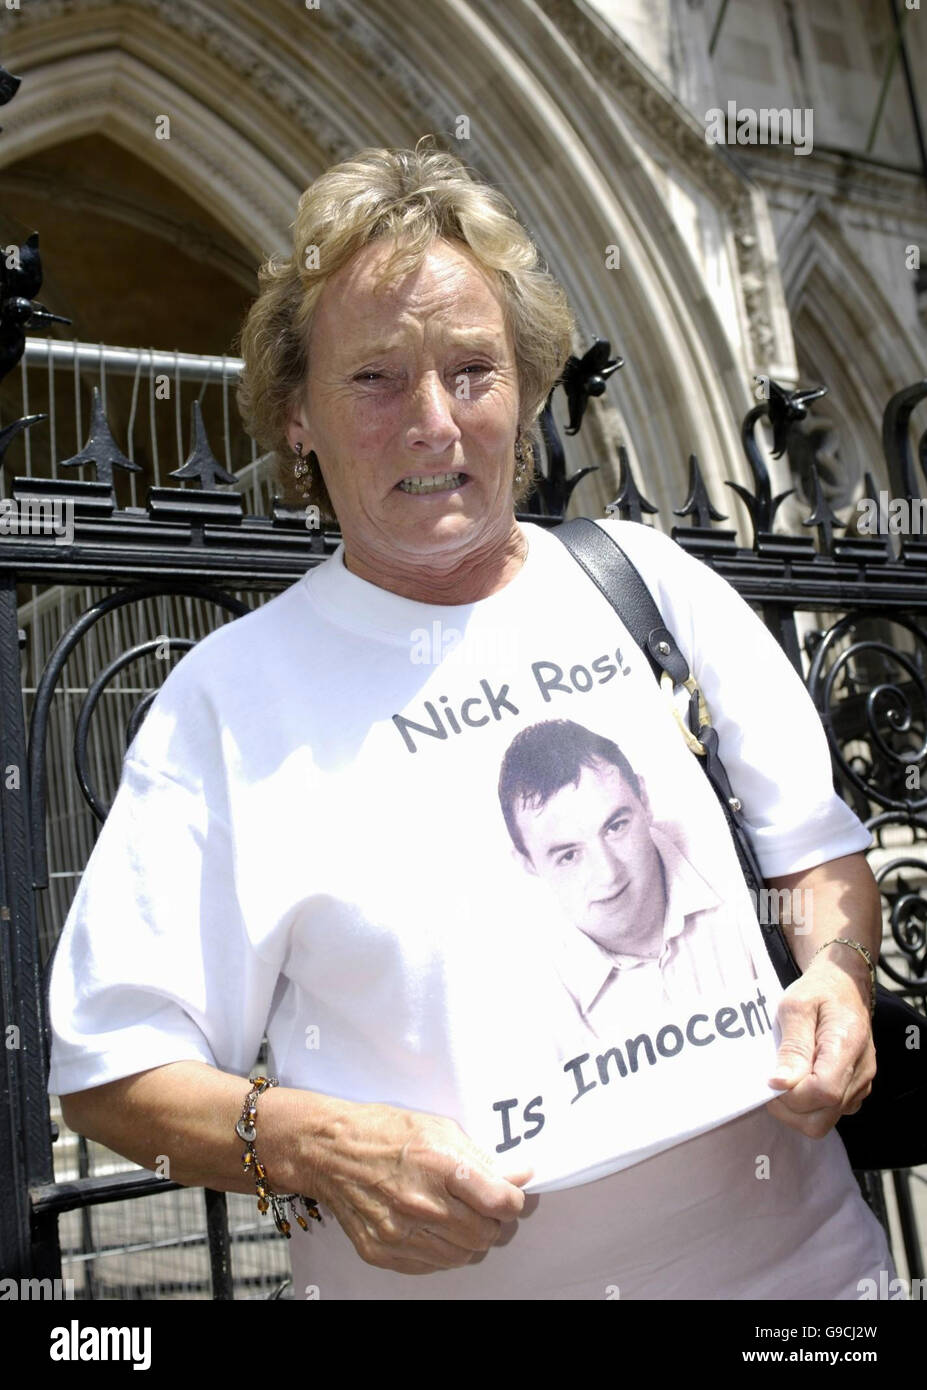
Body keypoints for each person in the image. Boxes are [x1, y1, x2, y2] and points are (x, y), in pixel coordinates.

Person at [47, 137, 896, 1300]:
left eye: (473, 370)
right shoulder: (230, 702)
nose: (434, 421)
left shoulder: (646, 581)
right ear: (297, 415)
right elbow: (109, 1073)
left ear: (529, 392)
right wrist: (317, 1149)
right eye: (376, 378)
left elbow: (819, 855)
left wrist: (839, 976)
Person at [498, 718, 760, 1030]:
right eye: (569, 855)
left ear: (644, 800)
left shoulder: (733, 860)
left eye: (616, 826)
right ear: (528, 864)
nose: (608, 873)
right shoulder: (523, 1002)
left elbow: (805, 917)